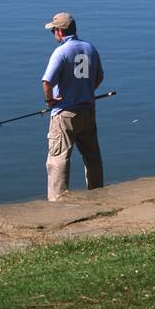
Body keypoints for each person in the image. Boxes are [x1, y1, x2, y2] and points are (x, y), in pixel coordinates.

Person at [41, 12, 105, 200]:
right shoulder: (89, 48)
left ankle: (57, 200)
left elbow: (46, 82)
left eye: (53, 30)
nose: (53, 33)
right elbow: (99, 77)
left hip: (64, 114)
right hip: (87, 110)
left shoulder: (61, 52)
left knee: (58, 159)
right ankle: (98, 194)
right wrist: (85, 91)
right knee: (92, 157)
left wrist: (50, 101)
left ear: (60, 31)